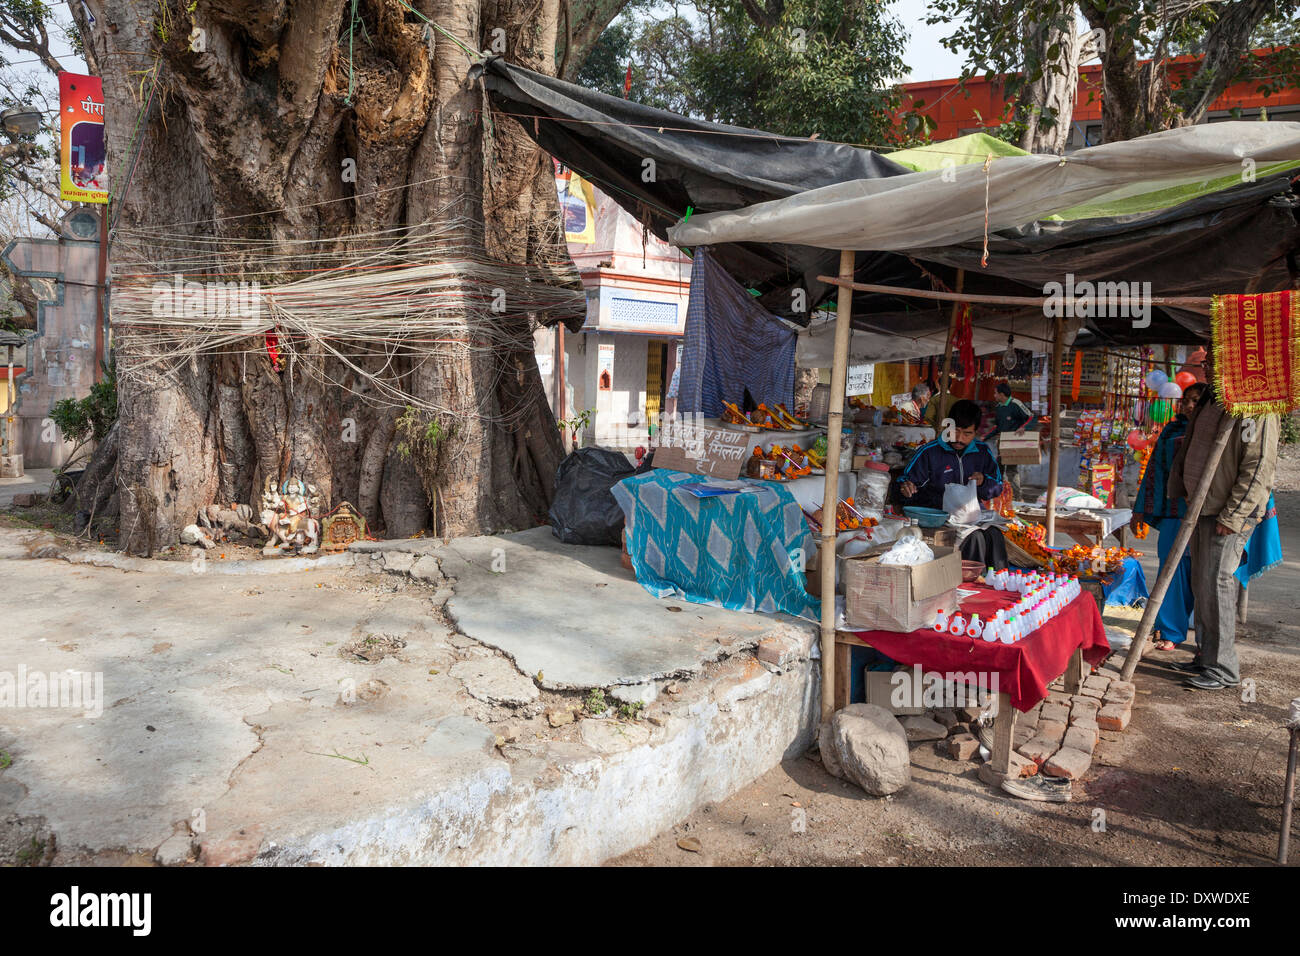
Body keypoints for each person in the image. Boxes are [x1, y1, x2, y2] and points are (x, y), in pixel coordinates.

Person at [1167, 385, 1280, 690]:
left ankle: (1224, 669)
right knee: (1201, 583)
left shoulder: (1258, 405)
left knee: (1216, 583)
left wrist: (1235, 515)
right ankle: (1206, 656)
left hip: (1227, 513)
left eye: (1212, 353)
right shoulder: (1211, 398)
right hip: (1202, 506)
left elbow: (1258, 467)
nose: (1206, 360)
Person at [1129, 383, 1206, 651]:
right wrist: (1140, 508)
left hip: (1205, 515)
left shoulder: (1215, 432)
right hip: (1175, 512)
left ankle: (1204, 637)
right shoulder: (1172, 431)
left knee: (1201, 573)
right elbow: (1154, 470)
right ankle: (1171, 631)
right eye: (1186, 400)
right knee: (1170, 570)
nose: (1188, 405)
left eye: (1196, 401)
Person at [897, 398, 1010, 569]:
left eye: (967, 434)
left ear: (976, 432)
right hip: (938, 518)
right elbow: (905, 482)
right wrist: (906, 487)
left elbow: (997, 487)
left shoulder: (982, 452)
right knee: (976, 538)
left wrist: (983, 482)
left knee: (995, 534)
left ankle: (998, 580)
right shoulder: (929, 452)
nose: (960, 439)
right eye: (956, 431)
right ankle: (969, 581)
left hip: (971, 517)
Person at [984, 382, 1036, 501]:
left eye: (995, 393)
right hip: (1001, 442)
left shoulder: (1016, 404)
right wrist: (985, 437)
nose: (994, 395)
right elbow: (998, 427)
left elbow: (1032, 417)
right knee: (999, 468)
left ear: (1002, 394)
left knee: (1012, 470)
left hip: (1014, 442)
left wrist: (1024, 427)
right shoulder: (999, 407)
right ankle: (999, 495)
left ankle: (1017, 497)